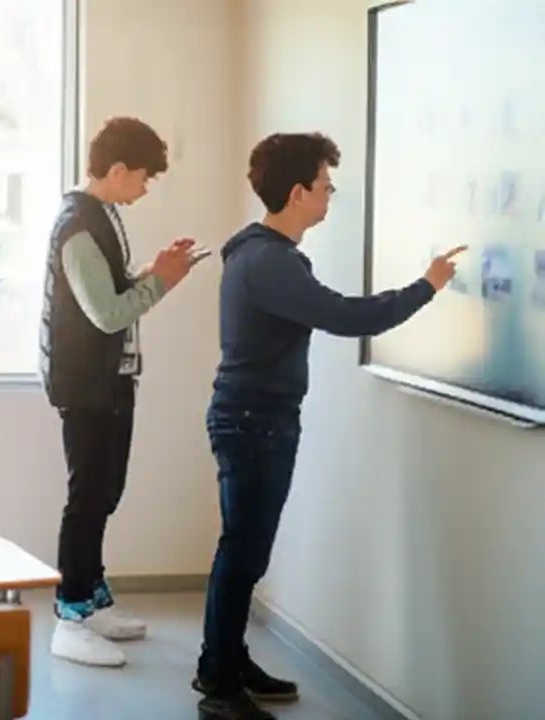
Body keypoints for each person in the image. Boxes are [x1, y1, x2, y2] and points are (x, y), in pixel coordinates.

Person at [194, 132, 463, 720]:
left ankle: (227, 661)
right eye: (325, 186)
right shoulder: (268, 260)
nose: (330, 195)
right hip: (254, 421)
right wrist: (427, 287)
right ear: (297, 193)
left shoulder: (263, 254)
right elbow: (345, 316)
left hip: (254, 418)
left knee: (243, 552)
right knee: (243, 553)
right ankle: (219, 685)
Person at [39, 116, 205, 667]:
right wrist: (164, 281)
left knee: (106, 492)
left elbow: (111, 292)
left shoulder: (102, 217)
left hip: (110, 381)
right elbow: (107, 314)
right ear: (117, 170)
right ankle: (70, 611)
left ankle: (92, 597)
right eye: (143, 178)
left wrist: (156, 270)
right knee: (88, 496)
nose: (145, 188)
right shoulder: (78, 226)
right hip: (87, 385)